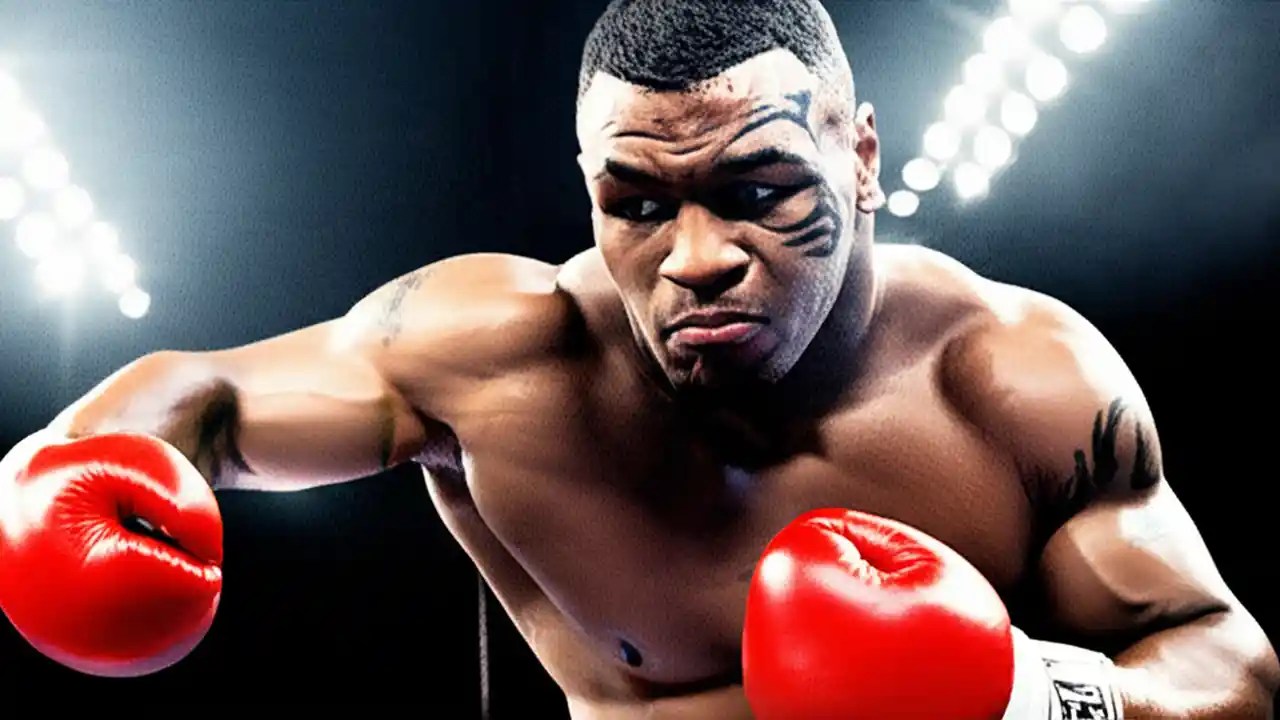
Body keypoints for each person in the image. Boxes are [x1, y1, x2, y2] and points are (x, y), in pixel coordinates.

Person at [0, 0, 1276, 717]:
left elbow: (1223, 666)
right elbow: (203, 400)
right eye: (639, 204)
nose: (696, 257)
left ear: (864, 158)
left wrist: (1013, 694)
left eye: (760, 189)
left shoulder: (1016, 384)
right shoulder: (499, 359)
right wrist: (56, 474)